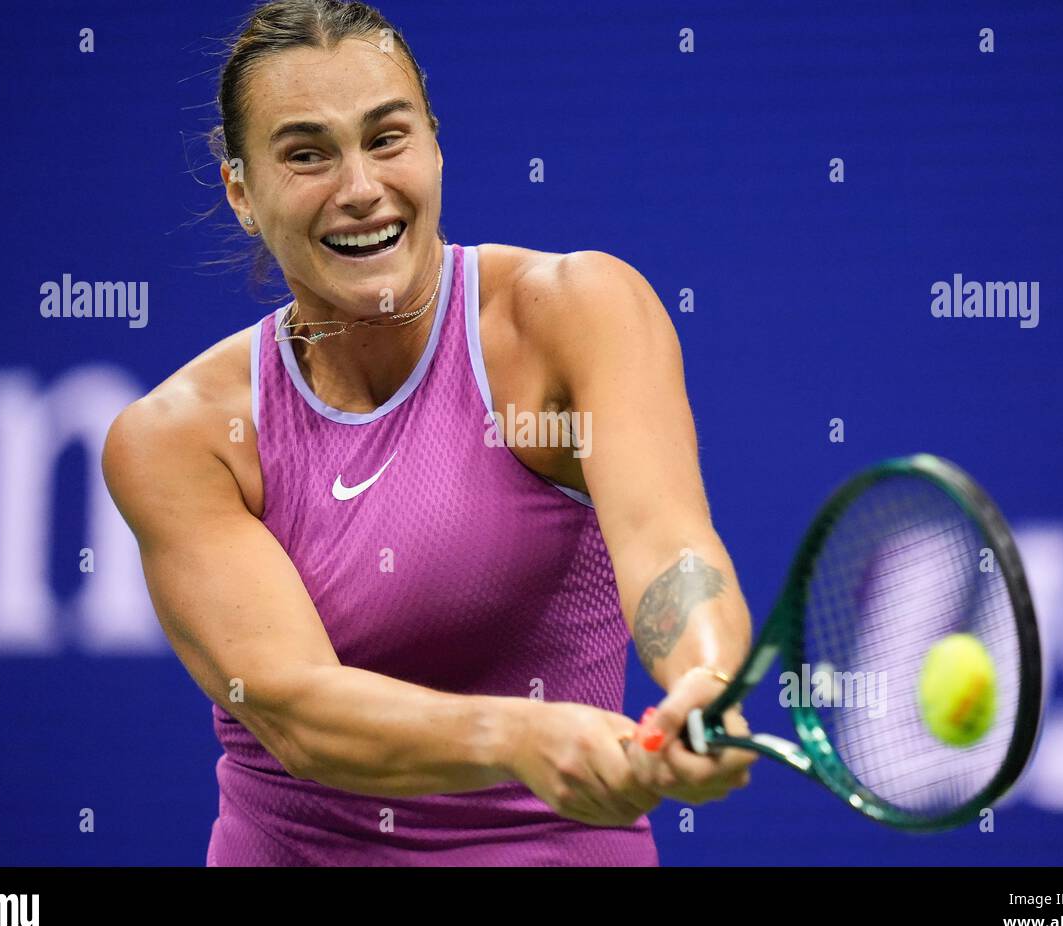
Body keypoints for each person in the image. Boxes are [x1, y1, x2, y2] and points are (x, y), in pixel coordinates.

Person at [102, 0, 756, 866]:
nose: (361, 188)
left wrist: (704, 682)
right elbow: (299, 709)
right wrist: (516, 735)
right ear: (241, 192)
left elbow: (667, 542)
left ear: (436, 146)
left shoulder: (576, 312)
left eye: (387, 137)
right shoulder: (178, 437)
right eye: (307, 154)